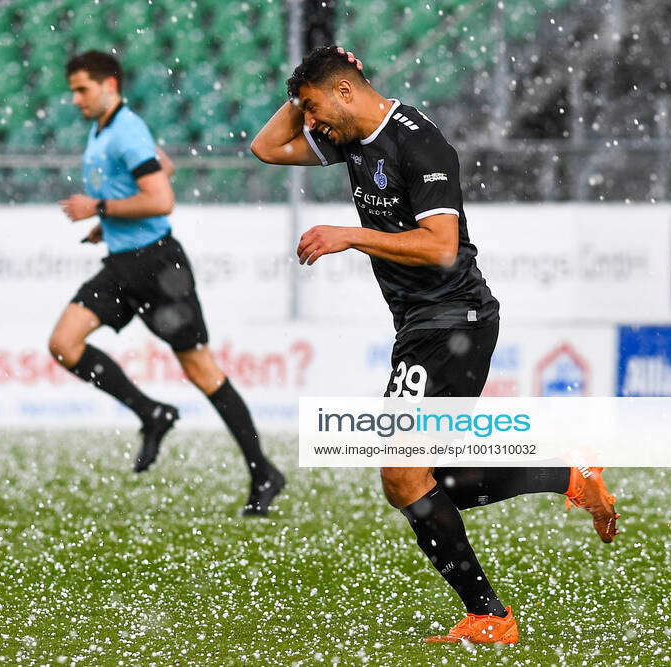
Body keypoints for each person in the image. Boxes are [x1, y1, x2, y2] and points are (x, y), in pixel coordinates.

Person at [250, 45, 618, 643]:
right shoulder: (348, 137)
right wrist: (301, 93)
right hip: (424, 323)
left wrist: (353, 235)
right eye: (305, 111)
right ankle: (568, 478)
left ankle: (491, 616)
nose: (310, 122)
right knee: (432, 477)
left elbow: (442, 245)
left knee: (402, 473)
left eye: (315, 108)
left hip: (455, 319)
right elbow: (265, 149)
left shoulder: (419, 142)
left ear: (347, 92)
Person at [48, 51, 285, 515]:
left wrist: (98, 208)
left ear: (109, 84)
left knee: (202, 372)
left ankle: (263, 472)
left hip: (158, 269)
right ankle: (151, 412)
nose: (75, 99)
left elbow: (161, 199)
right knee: (63, 344)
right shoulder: (106, 130)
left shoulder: (126, 129)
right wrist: (110, 221)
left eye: (83, 89)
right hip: (122, 264)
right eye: (73, 90)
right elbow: (162, 169)